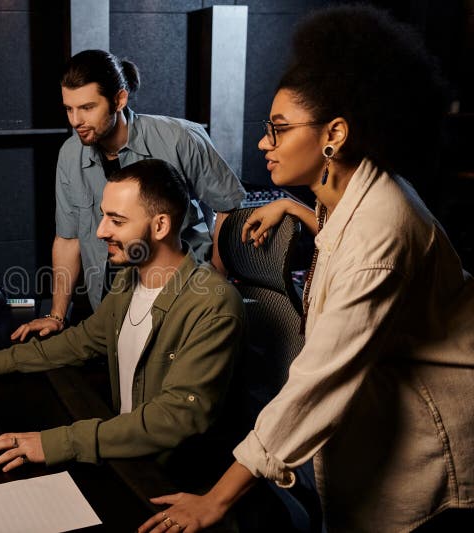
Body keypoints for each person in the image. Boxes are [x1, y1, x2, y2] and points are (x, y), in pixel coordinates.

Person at [139, 5, 474, 533]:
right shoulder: (350, 197)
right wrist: (297, 210)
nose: (262, 144)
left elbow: (317, 380)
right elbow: (351, 250)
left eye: (278, 130)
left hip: (432, 440)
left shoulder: (381, 228)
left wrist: (217, 499)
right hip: (379, 423)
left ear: (333, 134)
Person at [0, 159, 243, 471]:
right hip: (121, 451)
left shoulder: (213, 304)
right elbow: (82, 340)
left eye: (117, 221)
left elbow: (175, 418)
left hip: (162, 475)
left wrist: (55, 443)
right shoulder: (130, 279)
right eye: (103, 217)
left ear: (161, 226)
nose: (100, 232)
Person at [11, 49, 246, 342]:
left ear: (119, 99)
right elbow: (68, 239)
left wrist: (215, 280)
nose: (76, 120)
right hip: (112, 306)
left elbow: (230, 206)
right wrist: (57, 315)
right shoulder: (69, 155)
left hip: (184, 298)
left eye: (87, 107)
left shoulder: (181, 138)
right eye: (69, 109)